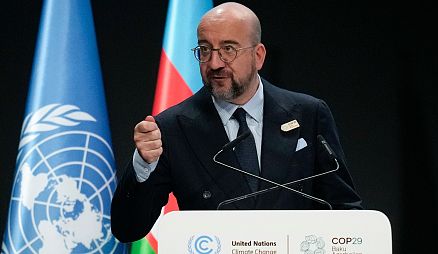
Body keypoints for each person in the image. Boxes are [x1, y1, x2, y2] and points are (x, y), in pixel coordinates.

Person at [111, 2, 363, 243]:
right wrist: (143, 165)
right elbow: (128, 228)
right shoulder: (172, 127)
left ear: (259, 55)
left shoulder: (308, 115)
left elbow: (344, 207)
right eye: (205, 49)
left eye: (228, 49)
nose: (214, 63)